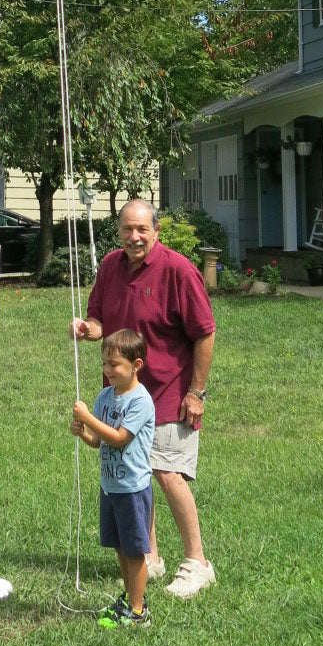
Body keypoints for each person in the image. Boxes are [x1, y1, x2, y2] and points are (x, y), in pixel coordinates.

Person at [71, 199, 216, 599]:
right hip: (124, 394)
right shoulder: (111, 266)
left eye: (142, 230)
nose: (134, 237)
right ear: (118, 232)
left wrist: (196, 392)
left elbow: (205, 332)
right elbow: (101, 322)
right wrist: (87, 328)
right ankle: (149, 556)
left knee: (168, 474)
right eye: (127, 230)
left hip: (169, 391)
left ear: (156, 231)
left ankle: (198, 563)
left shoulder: (178, 270)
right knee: (137, 475)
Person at [71, 326, 156, 629]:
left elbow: (120, 438)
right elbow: (100, 440)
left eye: (115, 365)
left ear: (136, 366)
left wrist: (88, 419)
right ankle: (131, 597)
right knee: (120, 547)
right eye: (104, 364)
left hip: (132, 488)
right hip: (111, 486)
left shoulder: (141, 401)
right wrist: (85, 433)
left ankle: (138, 612)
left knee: (135, 550)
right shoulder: (105, 397)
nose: (108, 371)